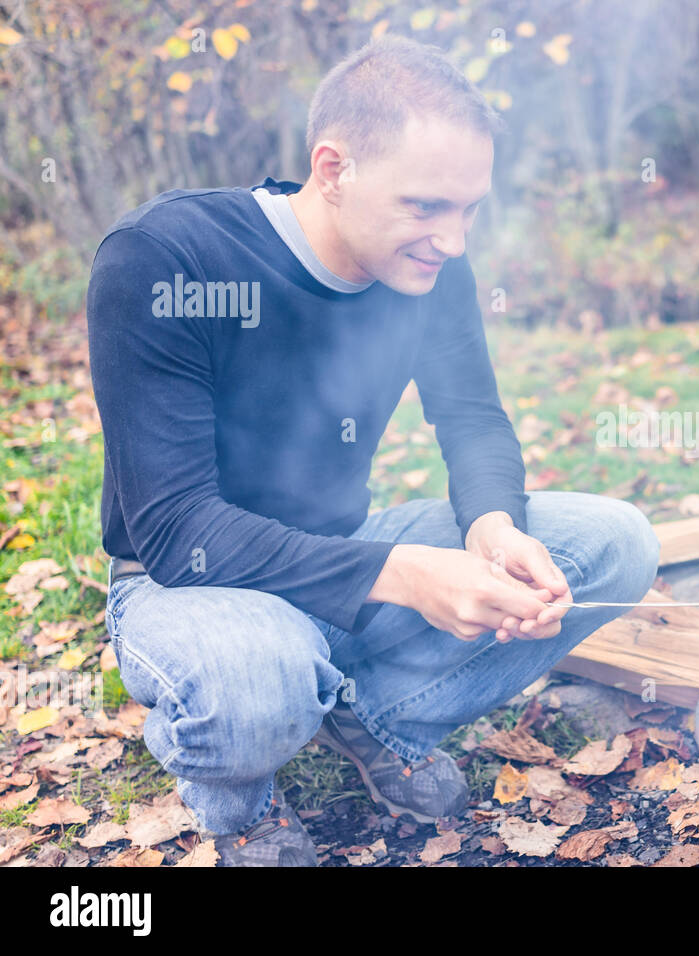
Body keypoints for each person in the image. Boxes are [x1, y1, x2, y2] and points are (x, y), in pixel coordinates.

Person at [86, 34, 660, 867]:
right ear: (333, 168)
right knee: (256, 679)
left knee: (612, 543)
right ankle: (239, 798)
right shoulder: (164, 257)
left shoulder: (429, 270)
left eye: (470, 210)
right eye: (427, 207)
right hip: (188, 582)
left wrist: (492, 527)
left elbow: (471, 415)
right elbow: (177, 529)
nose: (454, 240)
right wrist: (409, 576)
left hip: (341, 551)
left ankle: (368, 713)